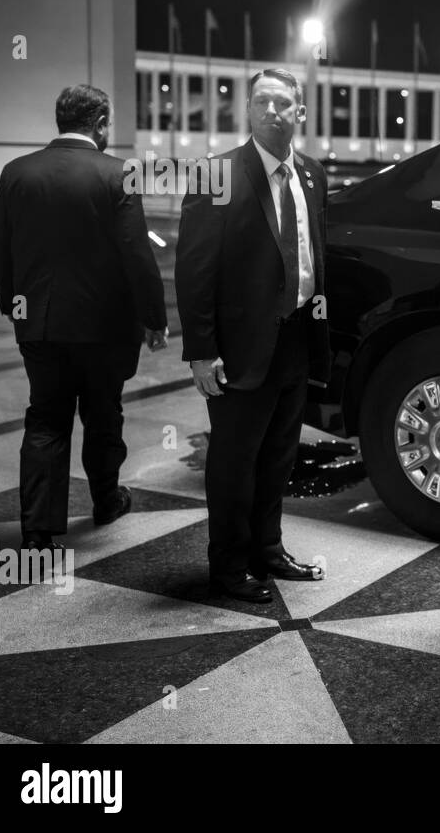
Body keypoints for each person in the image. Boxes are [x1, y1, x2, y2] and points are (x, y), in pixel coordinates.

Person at [175, 69, 330, 604]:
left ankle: (269, 550)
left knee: (279, 459)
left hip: (296, 342)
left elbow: (313, 258)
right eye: (261, 101)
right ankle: (228, 569)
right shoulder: (218, 175)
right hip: (239, 350)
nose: (271, 111)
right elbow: (193, 273)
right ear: (247, 110)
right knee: (233, 465)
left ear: (299, 113)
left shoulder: (312, 175)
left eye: (282, 103)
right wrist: (200, 352)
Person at [0, 85, 168, 551]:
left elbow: (2, 248)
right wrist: (154, 317)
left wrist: (13, 305)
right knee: (103, 413)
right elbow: (137, 255)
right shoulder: (118, 174)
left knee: (45, 419)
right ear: (101, 123)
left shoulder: (16, 173)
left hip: (42, 324)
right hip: (104, 329)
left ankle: (38, 532)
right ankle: (107, 500)